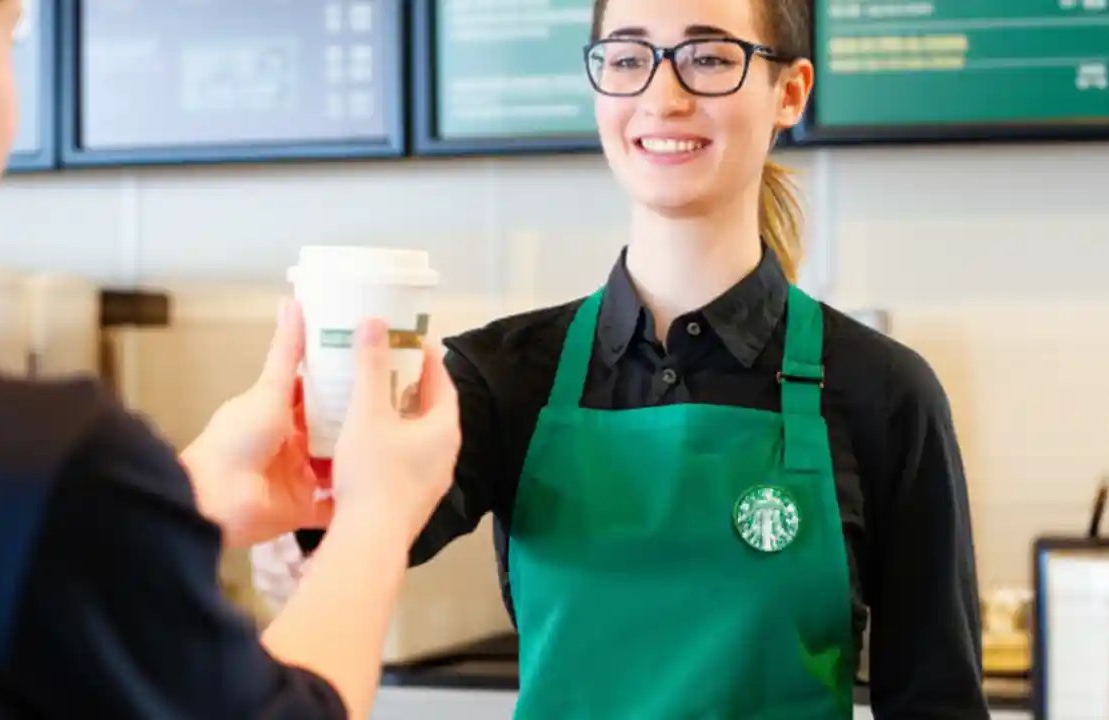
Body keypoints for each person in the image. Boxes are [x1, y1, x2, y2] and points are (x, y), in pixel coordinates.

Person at [274, 0, 989, 717]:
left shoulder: (884, 393)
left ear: (791, 93)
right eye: (627, 59)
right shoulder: (501, 378)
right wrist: (300, 515)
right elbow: (359, 535)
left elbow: (937, 702)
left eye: (709, 58)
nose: (663, 97)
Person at [0, 1, 462, 718]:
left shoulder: (1, 482)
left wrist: (172, 503)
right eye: (9, 45)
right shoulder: (35, 465)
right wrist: (377, 517)